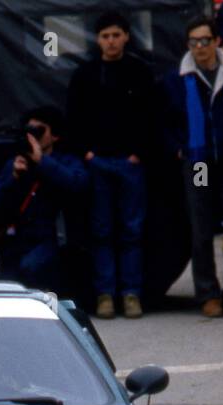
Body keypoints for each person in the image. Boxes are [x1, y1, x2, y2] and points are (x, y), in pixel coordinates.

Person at [67, 11, 158, 319]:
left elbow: (152, 118)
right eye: (105, 36)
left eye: (116, 35)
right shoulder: (84, 75)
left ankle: (131, 293)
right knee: (102, 231)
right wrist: (88, 154)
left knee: (131, 230)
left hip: (130, 163)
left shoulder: (141, 72)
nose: (111, 41)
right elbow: (74, 118)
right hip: (98, 162)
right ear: (97, 39)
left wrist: (139, 153)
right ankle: (105, 294)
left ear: (126, 36)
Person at [164, 16, 223, 316]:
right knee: (201, 227)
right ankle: (208, 294)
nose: (200, 47)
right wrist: (179, 149)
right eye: (194, 42)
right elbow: (162, 121)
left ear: (217, 41)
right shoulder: (177, 78)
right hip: (198, 162)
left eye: (205, 40)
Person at [0, 106, 86, 291]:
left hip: (51, 238)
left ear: (54, 136)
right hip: (17, 238)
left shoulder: (67, 162)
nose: (33, 136)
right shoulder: (15, 162)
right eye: (29, 131)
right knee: (6, 283)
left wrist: (42, 161)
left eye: (39, 131)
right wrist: (14, 178)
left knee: (31, 268)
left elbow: (77, 185)